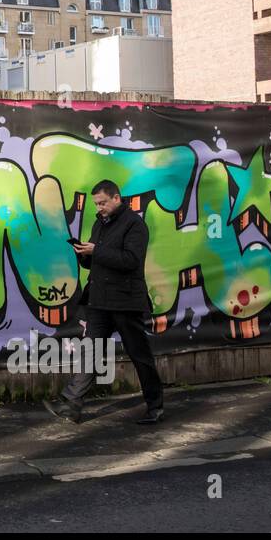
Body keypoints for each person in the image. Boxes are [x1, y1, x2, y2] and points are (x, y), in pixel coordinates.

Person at [43, 179, 164, 425]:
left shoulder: (135, 225)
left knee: (139, 355)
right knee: (91, 350)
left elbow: (130, 260)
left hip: (126, 302)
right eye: (96, 204)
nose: (99, 208)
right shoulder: (101, 224)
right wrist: (83, 255)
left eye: (103, 203)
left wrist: (95, 251)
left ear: (116, 198)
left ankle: (155, 407)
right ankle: (71, 405)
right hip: (99, 302)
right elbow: (96, 259)